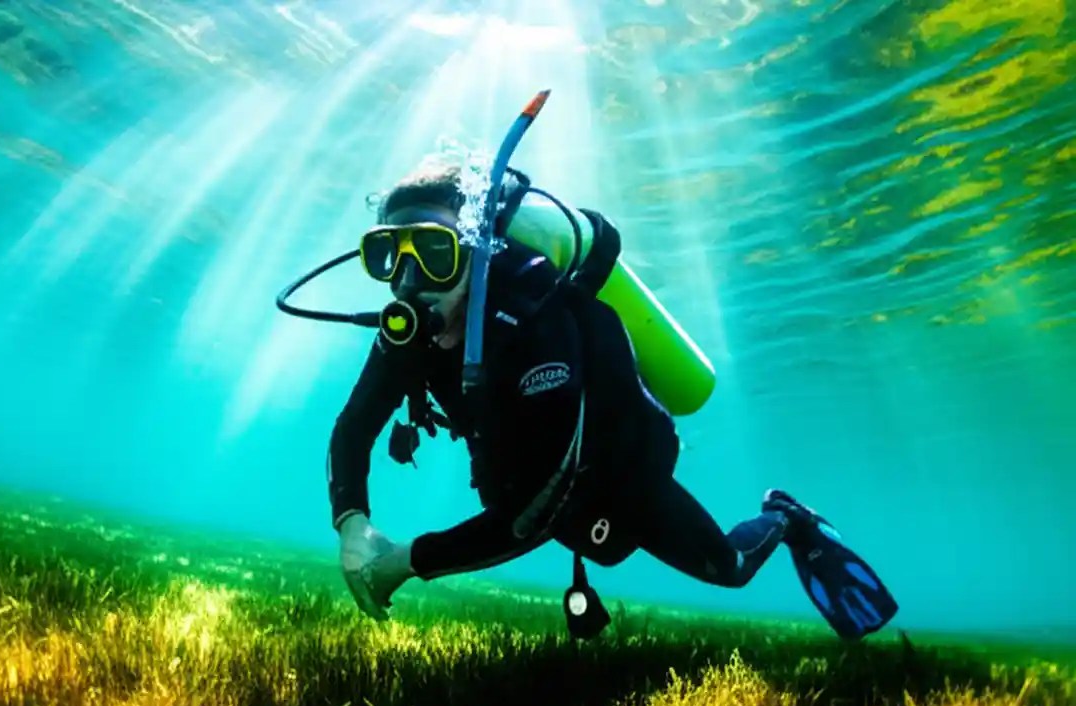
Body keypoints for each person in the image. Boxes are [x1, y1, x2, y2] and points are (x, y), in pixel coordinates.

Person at [325, 160, 897, 641]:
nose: (409, 281)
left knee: (729, 568)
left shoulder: (535, 322)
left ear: (475, 252)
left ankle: (786, 518)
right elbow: (354, 426)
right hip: (535, 482)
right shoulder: (410, 332)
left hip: (620, 471)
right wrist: (353, 524)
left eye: (433, 251)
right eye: (387, 257)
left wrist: (405, 561)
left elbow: (534, 513)